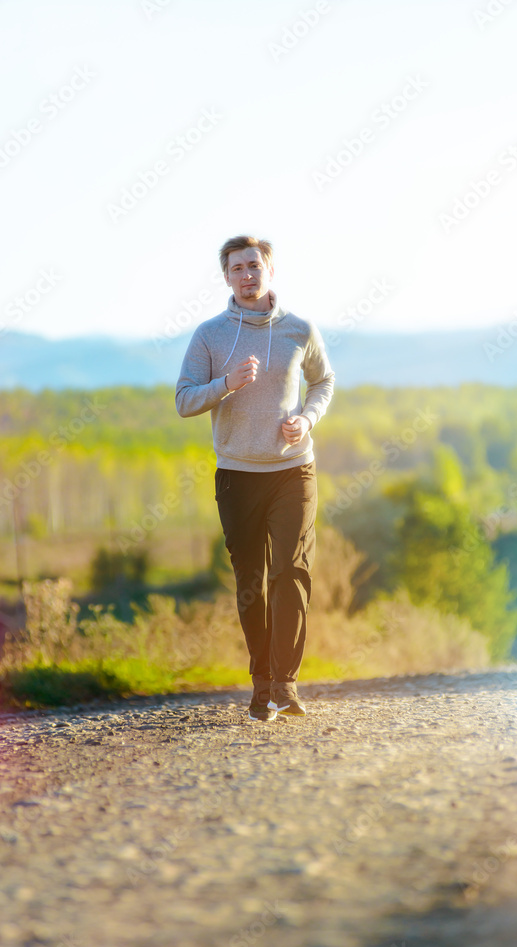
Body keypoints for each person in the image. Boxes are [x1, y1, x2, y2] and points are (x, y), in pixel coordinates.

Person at [175, 235, 335, 721]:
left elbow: (323, 381)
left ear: (269, 270)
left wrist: (307, 418)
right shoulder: (209, 335)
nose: (247, 275)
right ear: (226, 276)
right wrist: (227, 384)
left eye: (254, 266)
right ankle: (260, 682)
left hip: (293, 469)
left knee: (292, 570)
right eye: (237, 268)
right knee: (252, 579)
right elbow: (183, 400)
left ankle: (285, 685)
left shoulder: (299, 329)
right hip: (237, 475)